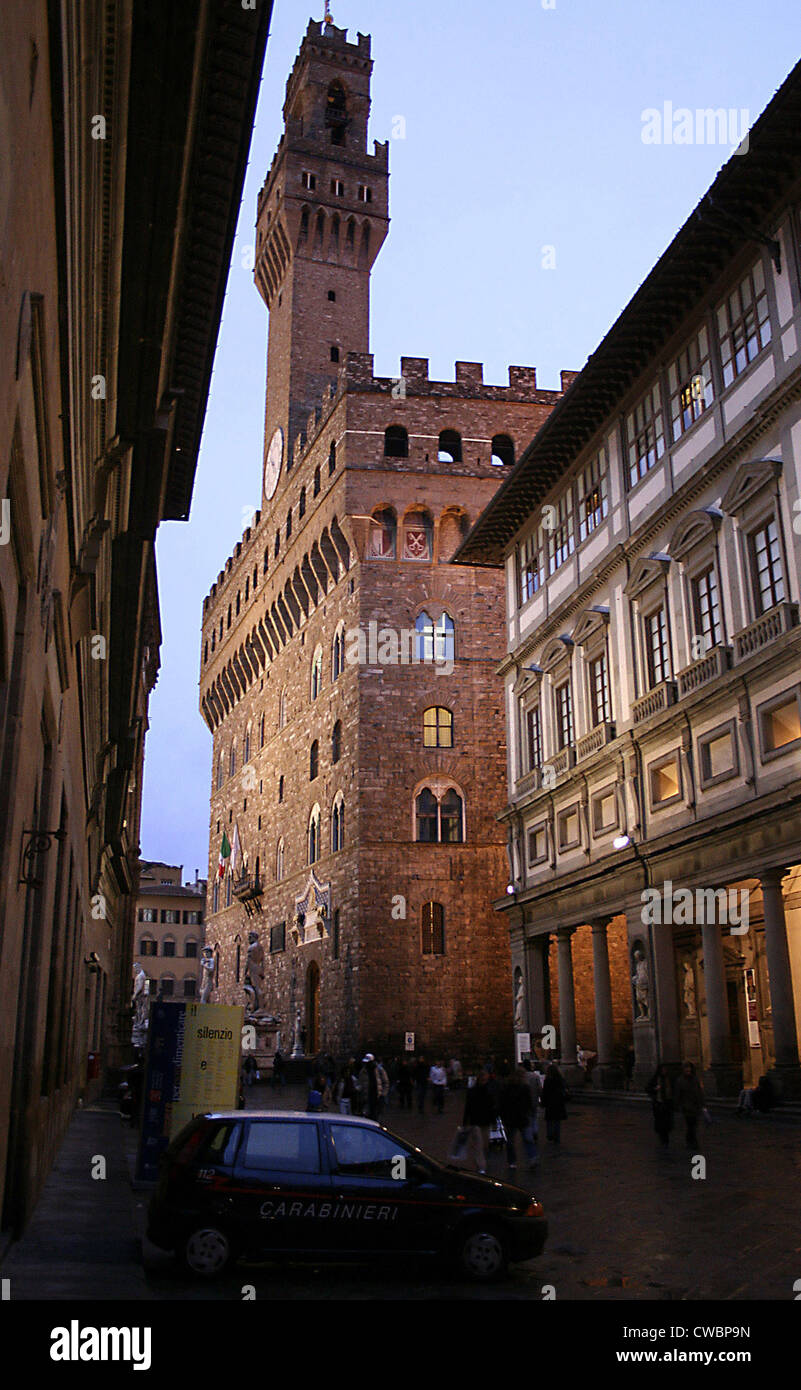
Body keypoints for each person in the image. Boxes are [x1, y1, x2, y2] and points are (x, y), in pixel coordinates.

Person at [462, 1070, 498, 1174]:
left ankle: (481, 1163)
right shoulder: (482, 1091)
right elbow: (468, 1107)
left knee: (483, 1144)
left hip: (483, 1121)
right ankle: (481, 1165)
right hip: (477, 1121)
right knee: (479, 1144)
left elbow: (492, 1108)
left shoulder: (487, 1091)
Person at [499, 1067, 536, 1170]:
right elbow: (529, 1102)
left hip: (512, 1118)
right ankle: (531, 1158)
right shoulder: (522, 1087)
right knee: (527, 1139)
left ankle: (513, 1161)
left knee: (511, 1141)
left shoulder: (508, 1087)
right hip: (520, 1117)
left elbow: (502, 1103)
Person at [673, 1060, 705, 1148]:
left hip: (695, 1105)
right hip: (686, 1106)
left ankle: (691, 1140)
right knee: (691, 1124)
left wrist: (702, 1103)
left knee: (694, 1124)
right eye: (686, 1069)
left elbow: (699, 1092)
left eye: (689, 1069)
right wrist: (678, 1105)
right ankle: (692, 1141)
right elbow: (678, 1094)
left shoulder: (695, 1079)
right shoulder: (680, 1080)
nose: (688, 1071)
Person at [645, 1064, 674, 1147]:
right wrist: (655, 1089)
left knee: (667, 1122)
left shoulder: (669, 1079)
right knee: (660, 1122)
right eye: (663, 1069)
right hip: (658, 1104)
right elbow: (647, 1088)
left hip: (667, 1103)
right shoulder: (655, 1079)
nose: (664, 1071)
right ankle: (662, 1137)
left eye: (665, 1069)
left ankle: (666, 1138)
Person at [541, 1062, 568, 1144]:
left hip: (550, 1103)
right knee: (557, 1121)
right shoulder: (561, 1079)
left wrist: (543, 1102)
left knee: (550, 1120)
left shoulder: (547, 1080)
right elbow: (564, 1089)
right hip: (559, 1102)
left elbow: (545, 1092)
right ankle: (557, 1137)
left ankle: (550, 1134)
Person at [522, 1059, 543, 1161]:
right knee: (534, 1117)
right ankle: (534, 1131)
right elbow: (539, 1088)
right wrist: (540, 1097)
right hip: (534, 1100)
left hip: (525, 1102)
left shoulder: (522, 1077)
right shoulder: (535, 1076)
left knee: (528, 1118)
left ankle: (530, 1133)